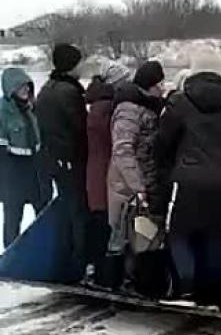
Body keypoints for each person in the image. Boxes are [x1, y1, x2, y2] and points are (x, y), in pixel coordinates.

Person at [156, 71, 221, 304]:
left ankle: (186, 288)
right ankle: (213, 293)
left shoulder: (181, 103)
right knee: (215, 235)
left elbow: (163, 141)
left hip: (187, 180)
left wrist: (165, 168)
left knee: (179, 233)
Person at [107, 60, 166, 293]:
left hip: (143, 181)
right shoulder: (129, 110)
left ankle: (138, 282)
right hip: (128, 185)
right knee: (125, 235)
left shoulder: (148, 106)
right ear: (151, 85)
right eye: (160, 82)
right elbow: (122, 150)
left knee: (143, 235)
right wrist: (137, 185)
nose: (163, 86)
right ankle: (119, 282)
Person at [36, 43, 88, 275]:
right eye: (79, 62)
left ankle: (67, 255)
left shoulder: (47, 88)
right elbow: (79, 128)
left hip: (54, 159)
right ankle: (79, 261)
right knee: (78, 209)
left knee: (67, 206)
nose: (82, 66)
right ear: (70, 65)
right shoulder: (68, 92)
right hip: (70, 159)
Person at [85, 62, 130, 284]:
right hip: (104, 171)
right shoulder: (106, 109)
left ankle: (98, 270)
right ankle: (104, 273)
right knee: (106, 223)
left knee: (101, 221)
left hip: (97, 169)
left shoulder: (97, 105)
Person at [0, 67, 52, 248]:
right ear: (10, 88)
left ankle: (43, 249)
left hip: (35, 170)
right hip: (13, 173)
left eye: (28, 86)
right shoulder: (3, 112)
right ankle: (10, 254)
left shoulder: (32, 109)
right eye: (21, 86)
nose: (26, 90)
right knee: (13, 216)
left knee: (43, 212)